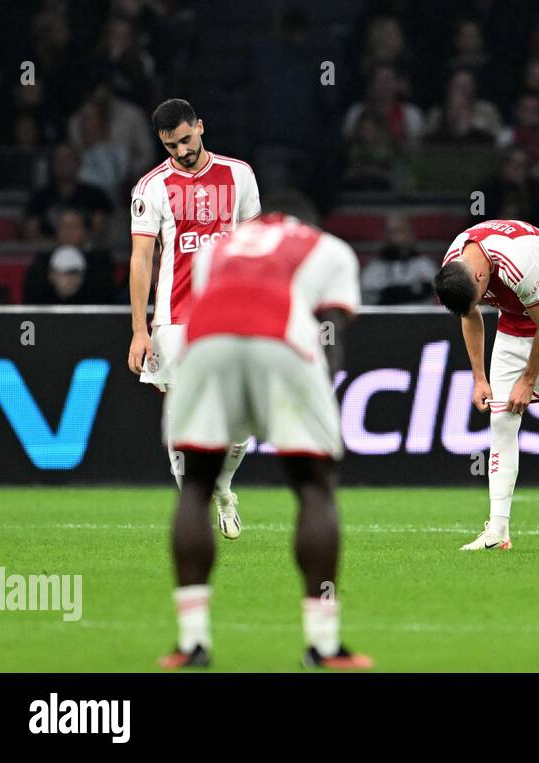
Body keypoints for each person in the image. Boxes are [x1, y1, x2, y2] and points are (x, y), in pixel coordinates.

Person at [159, 194, 370, 670]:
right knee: (314, 488)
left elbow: (214, 303)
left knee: (194, 485)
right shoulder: (328, 247)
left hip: (202, 341)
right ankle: (323, 646)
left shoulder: (220, 246)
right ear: (306, 220)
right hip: (283, 339)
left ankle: (191, 644)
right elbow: (329, 329)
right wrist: (320, 404)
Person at [127, 99, 261, 540]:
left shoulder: (239, 174)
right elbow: (142, 258)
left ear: (200, 127)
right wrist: (139, 330)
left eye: (186, 139)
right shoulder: (151, 187)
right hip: (175, 318)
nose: (181, 151)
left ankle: (222, 487)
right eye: (171, 146)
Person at [434, 219, 539, 552]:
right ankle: (497, 532)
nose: (477, 302)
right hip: (514, 321)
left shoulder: (515, 262)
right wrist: (479, 377)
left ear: (481, 277)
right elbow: (470, 313)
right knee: (501, 420)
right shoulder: (456, 264)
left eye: (478, 296)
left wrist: (528, 381)